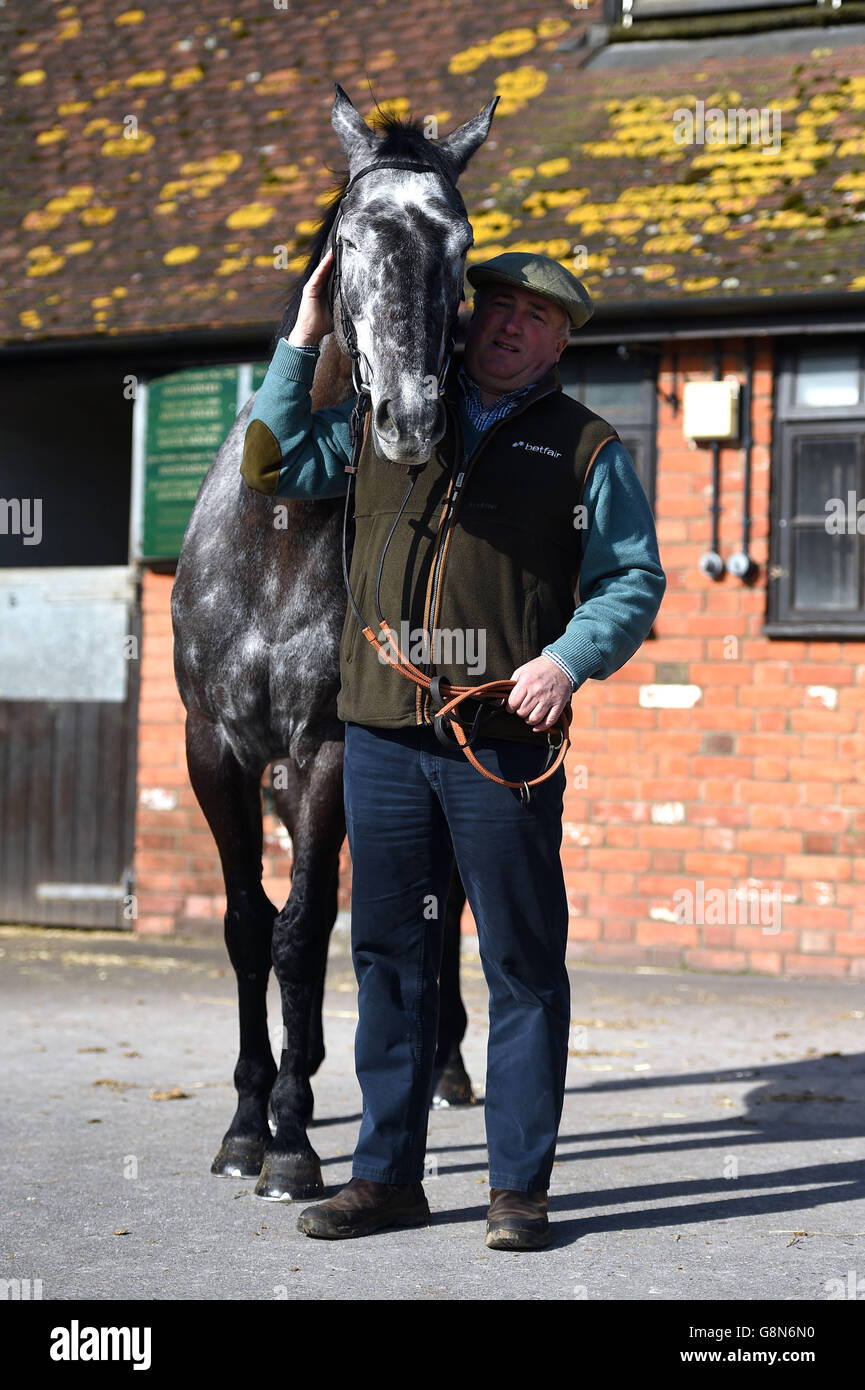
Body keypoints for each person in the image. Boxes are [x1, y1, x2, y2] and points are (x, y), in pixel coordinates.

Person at [240, 248, 666, 1249]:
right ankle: (386, 1175)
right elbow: (271, 460)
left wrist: (567, 660)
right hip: (383, 735)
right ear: (471, 318)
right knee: (390, 959)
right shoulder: (390, 420)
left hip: (501, 744)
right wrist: (305, 333)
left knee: (520, 963)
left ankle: (517, 1187)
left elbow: (630, 581)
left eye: (536, 318)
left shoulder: (585, 446)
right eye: (499, 307)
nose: (510, 326)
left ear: (561, 341)